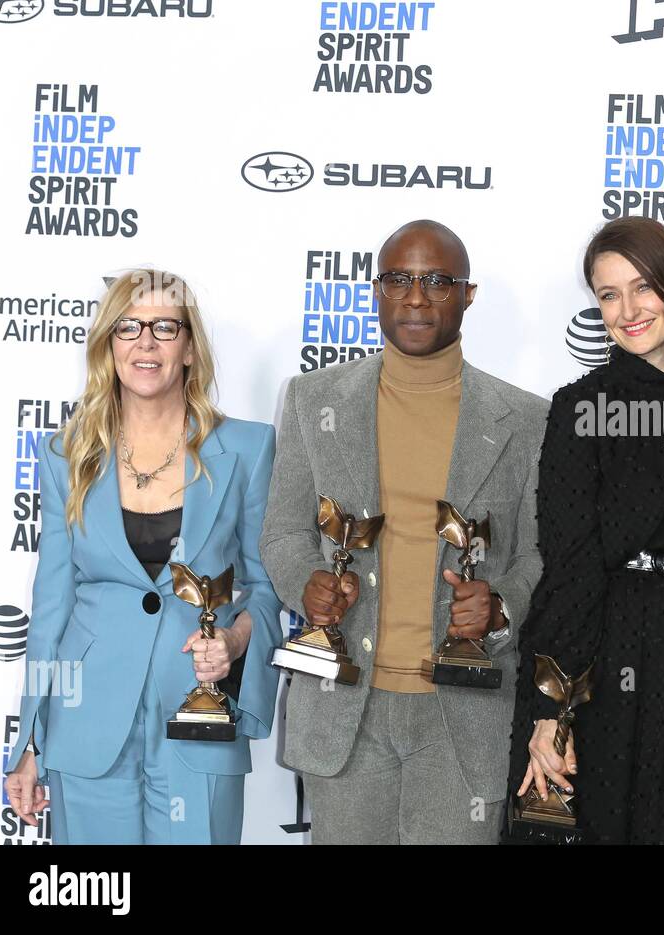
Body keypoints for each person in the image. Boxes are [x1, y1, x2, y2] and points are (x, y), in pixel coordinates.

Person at [260, 219, 547, 844]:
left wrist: (500, 608)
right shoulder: (314, 400)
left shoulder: (526, 419)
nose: (416, 297)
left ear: (468, 295)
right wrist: (304, 586)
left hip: (464, 715)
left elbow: (536, 555)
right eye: (399, 280)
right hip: (347, 708)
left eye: (438, 281)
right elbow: (282, 534)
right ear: (376, 291)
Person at [3, 269, 282, 844]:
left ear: (188, 347)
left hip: (198, 714)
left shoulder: (248, 449)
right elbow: (50, 608)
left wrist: (234, 641)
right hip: (87, 724)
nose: (145, 342)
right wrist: (29, 740)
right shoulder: (66, 454)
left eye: (163, 326)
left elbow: (267, 585)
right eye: (127, 326)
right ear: (109, 345)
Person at [509, 217, 664, 844]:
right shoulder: (582, 408)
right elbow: (570, 569)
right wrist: (554, 705)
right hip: (604, 655)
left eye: (642, 288)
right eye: (608, 294)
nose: (628, 310)